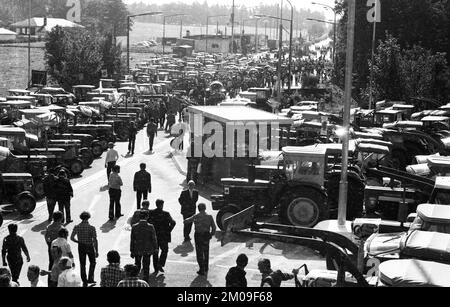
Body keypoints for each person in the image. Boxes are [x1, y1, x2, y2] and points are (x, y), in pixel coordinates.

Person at [184, 203, 216, 276]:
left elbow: (186, 221)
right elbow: (214, 227)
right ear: (205, 208)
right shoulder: (209, 217)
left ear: (198, 209)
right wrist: (211, 234)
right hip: (206, 235)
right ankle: (206, 267)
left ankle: (201, 268)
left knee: (199, 253)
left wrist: (188, 217)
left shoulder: (196, 216)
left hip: (198, 235)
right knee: (206, 251)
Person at [70, 211, 98, 287]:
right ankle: (90, 278)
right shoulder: (92, 228)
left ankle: (84, 280)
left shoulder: (77, 227)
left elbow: (72, 238)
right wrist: (96, 251)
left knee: (82, 264)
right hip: (90, 246)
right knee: (93, 262)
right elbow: (95, 240)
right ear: (88, 217)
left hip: (81, 246)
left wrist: (78, 242)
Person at [149, 199, 176, 273]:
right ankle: (160, 263)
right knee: (165, 250)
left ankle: (156, 267)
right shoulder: (166, 214)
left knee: (155, 252)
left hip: (154, 235)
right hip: (164, 236)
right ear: (162, 205)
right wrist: (168, 230)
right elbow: (173, 222)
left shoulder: (151, 213)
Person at [130, 210, 158, 281]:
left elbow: (132, 240)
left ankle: (135, 280)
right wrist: (156, 248)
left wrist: (132, 250)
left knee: (137, 265)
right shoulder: (150, 227)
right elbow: (154, 239)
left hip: (137, 249)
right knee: (146, 266)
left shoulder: (134, 226)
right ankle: (145, 280)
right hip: (147, 249)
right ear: (147, 217)